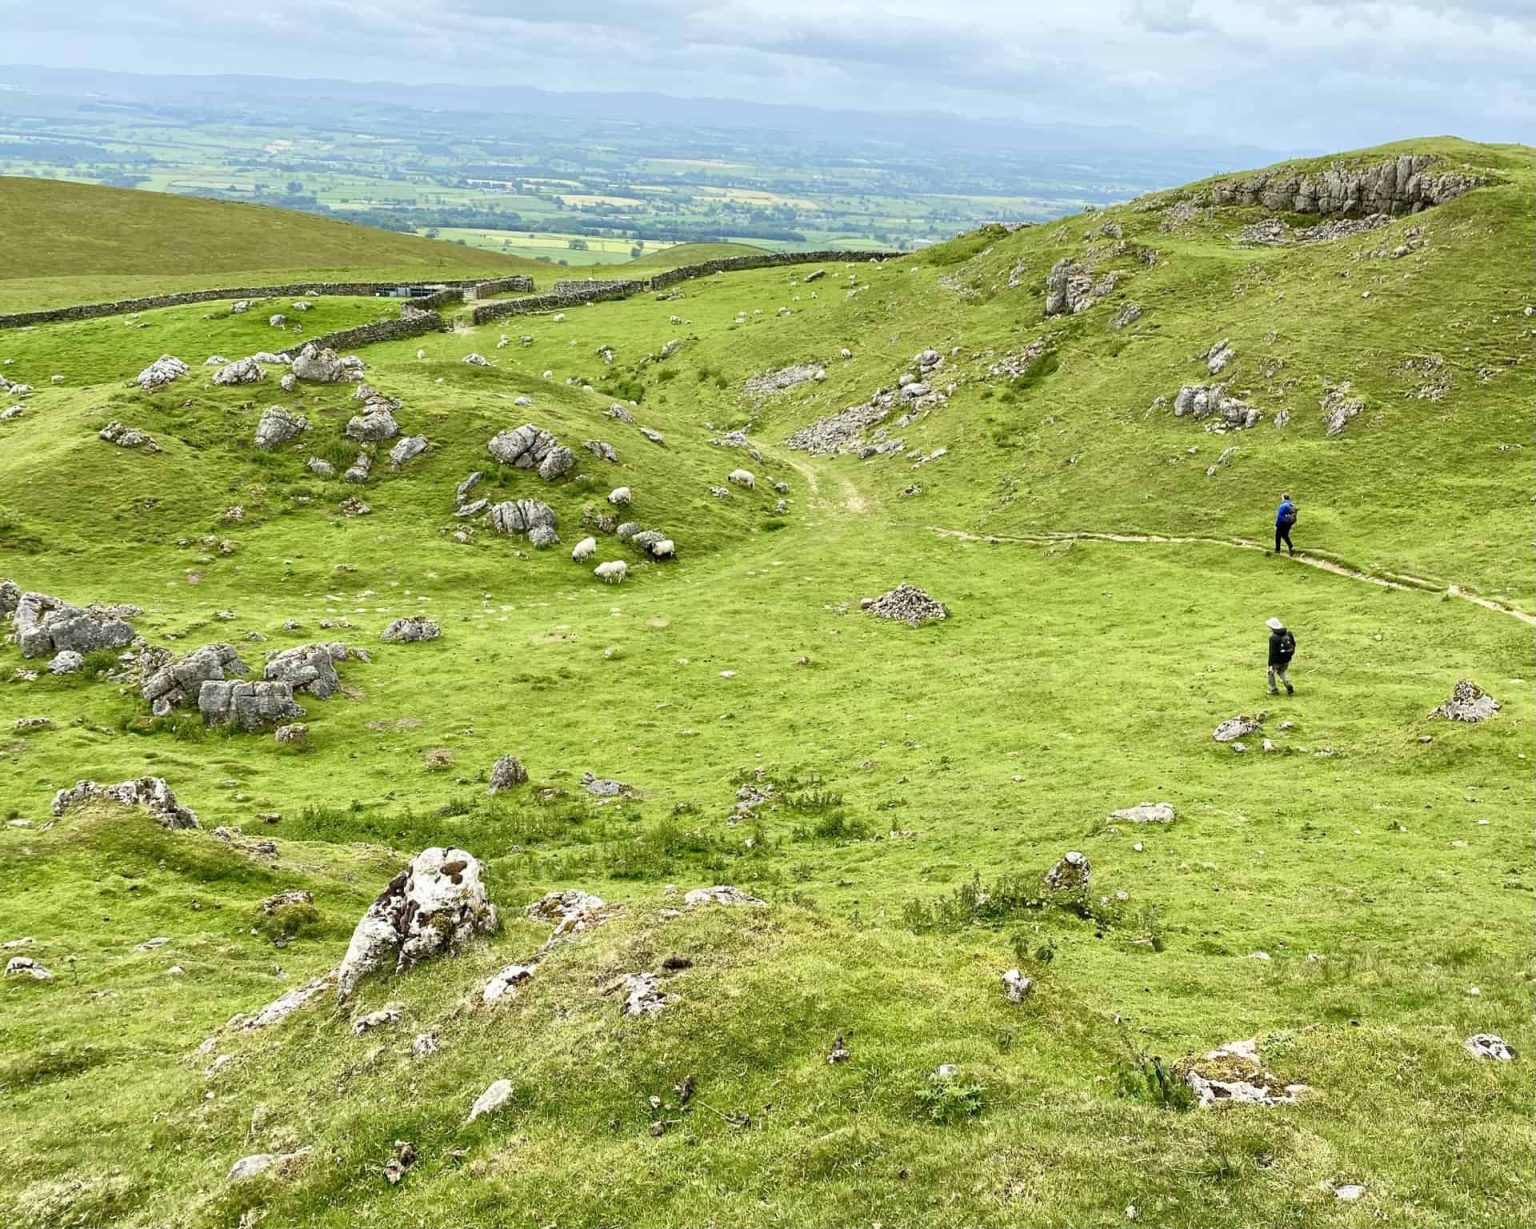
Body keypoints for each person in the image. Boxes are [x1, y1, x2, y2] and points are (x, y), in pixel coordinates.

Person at [1266, 616, 1296, 695]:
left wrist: (1270, 665)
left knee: (1270, 673)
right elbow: (1293, 644)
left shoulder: (1274, 638)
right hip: (1286, 658)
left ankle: (1273, 689)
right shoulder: (1289, 633)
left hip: (1276, 660)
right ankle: (1287, 683)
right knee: (1282, 671)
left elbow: (1272, 652)